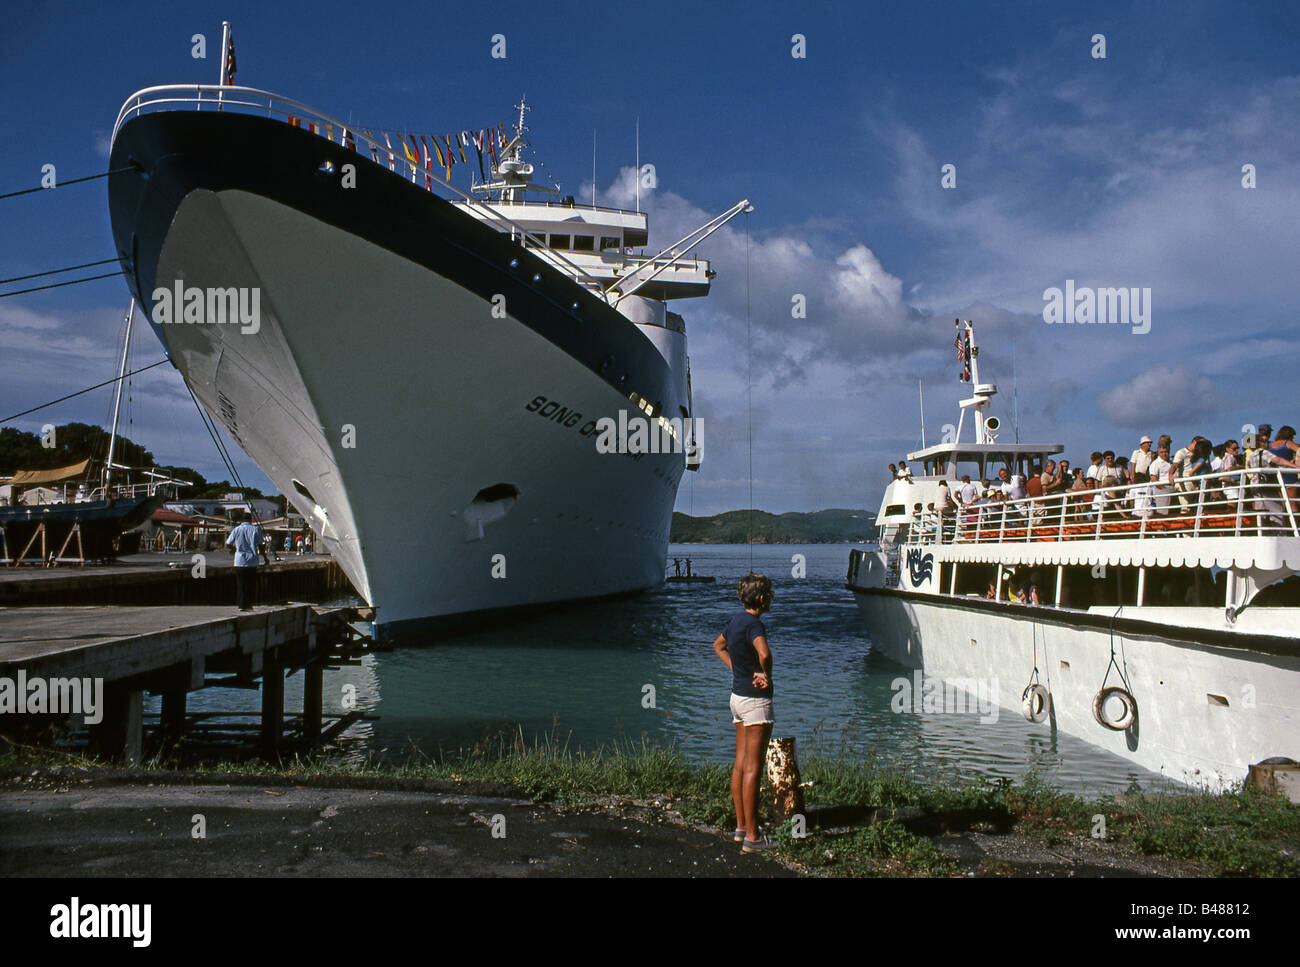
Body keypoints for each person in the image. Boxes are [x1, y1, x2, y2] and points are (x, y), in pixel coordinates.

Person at [712, 573, 775, 852]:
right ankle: (753, 836)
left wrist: (737, 671)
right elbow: (765, 653)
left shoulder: (736, 621)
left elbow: (718, 646)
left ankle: (740, 827)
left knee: (740, 764)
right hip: (755, 702)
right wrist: (766, 675)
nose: (772, 597)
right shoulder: (755, 625)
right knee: (753, 768)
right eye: (770, 594)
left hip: (737, 697)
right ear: (762, 599)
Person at [225, 511, 266, 612]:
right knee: (251, 584)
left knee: (241, 584)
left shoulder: (236, 529)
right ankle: (249, 605)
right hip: (252, 561)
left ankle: (241, 605)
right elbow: (261, 545)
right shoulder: (256, 529)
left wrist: (234, 550)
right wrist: (265, 557)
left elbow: (228, 543)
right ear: (251, 519)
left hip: (239, 561)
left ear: (241, 520)